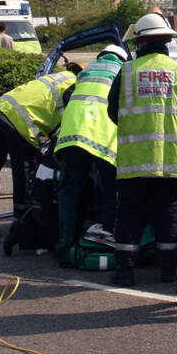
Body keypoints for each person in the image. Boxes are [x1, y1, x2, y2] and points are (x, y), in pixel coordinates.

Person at [107, 12, 177, 285]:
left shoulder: (128, 71)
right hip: (173, 161)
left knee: (130, 215)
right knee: (169, 215)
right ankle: (167, 271)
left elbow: (112, 111)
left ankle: (125, 272)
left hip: (135, 162)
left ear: (140, 42)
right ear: (167, 41)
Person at [0, 66, 80, 226]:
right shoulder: (73, 86)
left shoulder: (58, 78)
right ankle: (23, 216)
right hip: (20, 123)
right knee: (24, 171)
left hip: (0, 109)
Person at [54, 39, 128, 264]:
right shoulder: (122, 71)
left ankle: (65, 245)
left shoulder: (86, 71)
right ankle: (105, 240)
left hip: (72, 135)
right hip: (102, 137)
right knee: (110, 191)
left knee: (68, 192)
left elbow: (69, 98)